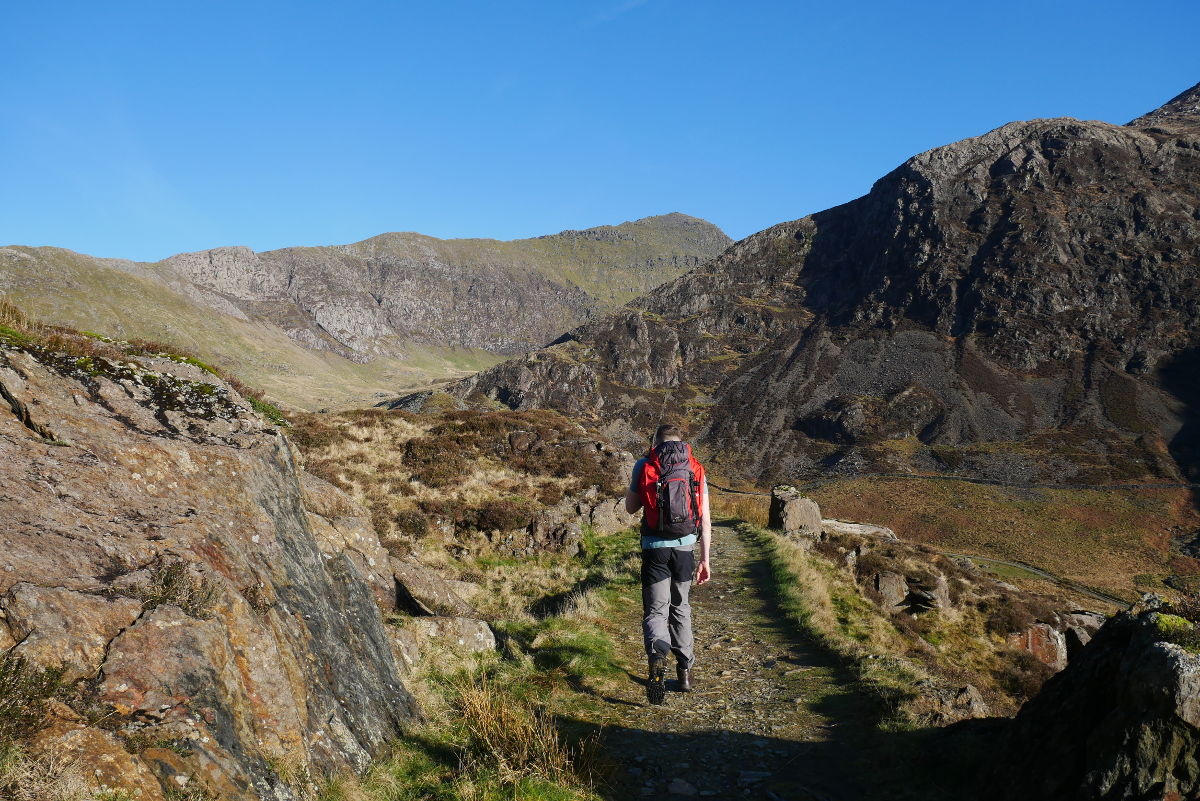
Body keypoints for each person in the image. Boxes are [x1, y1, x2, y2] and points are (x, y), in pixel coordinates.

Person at [625, 423, 711, 704]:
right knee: (681, 608)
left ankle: (658, 655)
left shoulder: (644, 464)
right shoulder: (695, 467)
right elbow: (705, 518)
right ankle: (684, 672)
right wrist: (705, 559)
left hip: (654, 550)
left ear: (657, 442)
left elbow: (630, 507)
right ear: (680, 442)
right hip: (685, 549)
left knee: (656, 611)